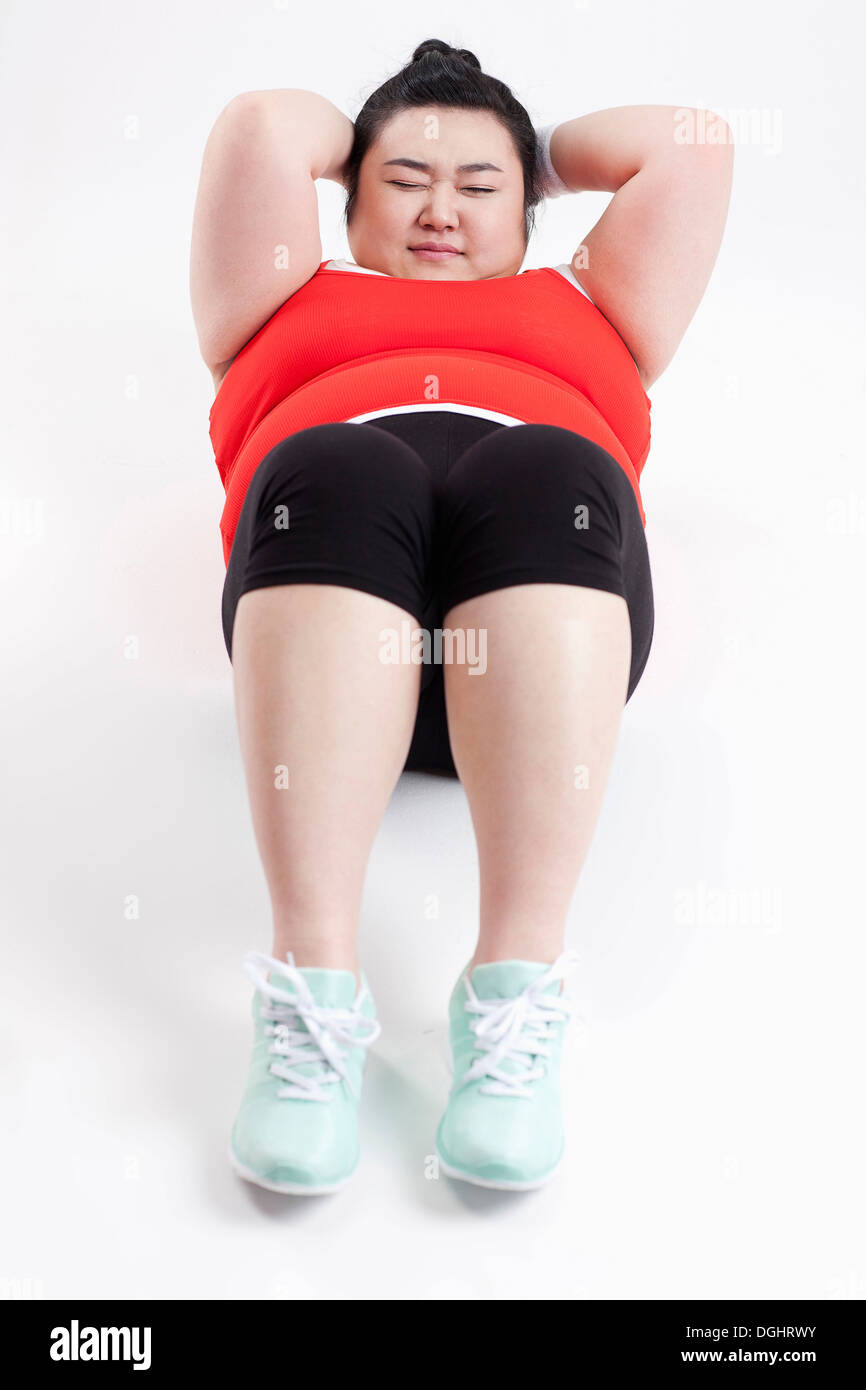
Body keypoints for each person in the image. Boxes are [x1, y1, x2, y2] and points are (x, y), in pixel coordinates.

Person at [189, 39, 734, 1193]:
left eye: (478, 188)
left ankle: (513, 998)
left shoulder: (588, 306)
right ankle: (310, 999)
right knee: (343, 462)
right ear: (346, 200)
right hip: (326, 640)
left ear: (527, 210)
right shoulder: (283, 299)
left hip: (546, 638)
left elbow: (692, 147)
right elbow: (259, 129)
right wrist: (388, 135)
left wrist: (521, 149)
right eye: (403, 182)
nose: (440, 209)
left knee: (542, 464)